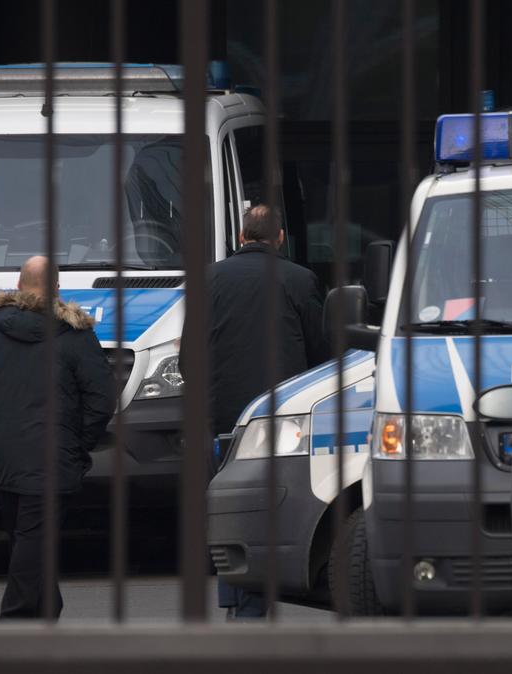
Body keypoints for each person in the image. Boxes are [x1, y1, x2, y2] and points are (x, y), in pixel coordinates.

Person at [0, 255, 116, 620]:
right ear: (57, 289)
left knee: (23, 535)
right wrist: (77, 441)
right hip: (53, 454)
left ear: (17, 285)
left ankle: (45, 609)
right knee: (32, 538)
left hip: (4, 454)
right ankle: (16, 620)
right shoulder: (75, 334)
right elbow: (102, 399)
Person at [197, 204, 329, 618]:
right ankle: (258, 599)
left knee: (230, 505)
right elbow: (322, 354)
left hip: (224, 417)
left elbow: (188, 358)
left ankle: (236, 598)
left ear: (240, 237)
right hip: (282, 418)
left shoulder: (208, 280)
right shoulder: (300, 280)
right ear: (281, 238)